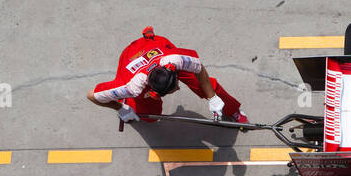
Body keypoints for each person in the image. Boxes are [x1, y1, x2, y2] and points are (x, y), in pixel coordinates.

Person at [88, 27, 247, 125]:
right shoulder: (130, 86)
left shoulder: (175, 60)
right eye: (174, 89)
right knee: (150, 116)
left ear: (171, 69)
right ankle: (128, 103)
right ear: (155, 93)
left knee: (209, 87)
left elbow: (200, 70)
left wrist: (212, 97)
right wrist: (120, 107)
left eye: (176, 84)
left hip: (156, 46)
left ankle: (232, 110)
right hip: (130, 57)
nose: (178, 88)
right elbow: (92, 96)